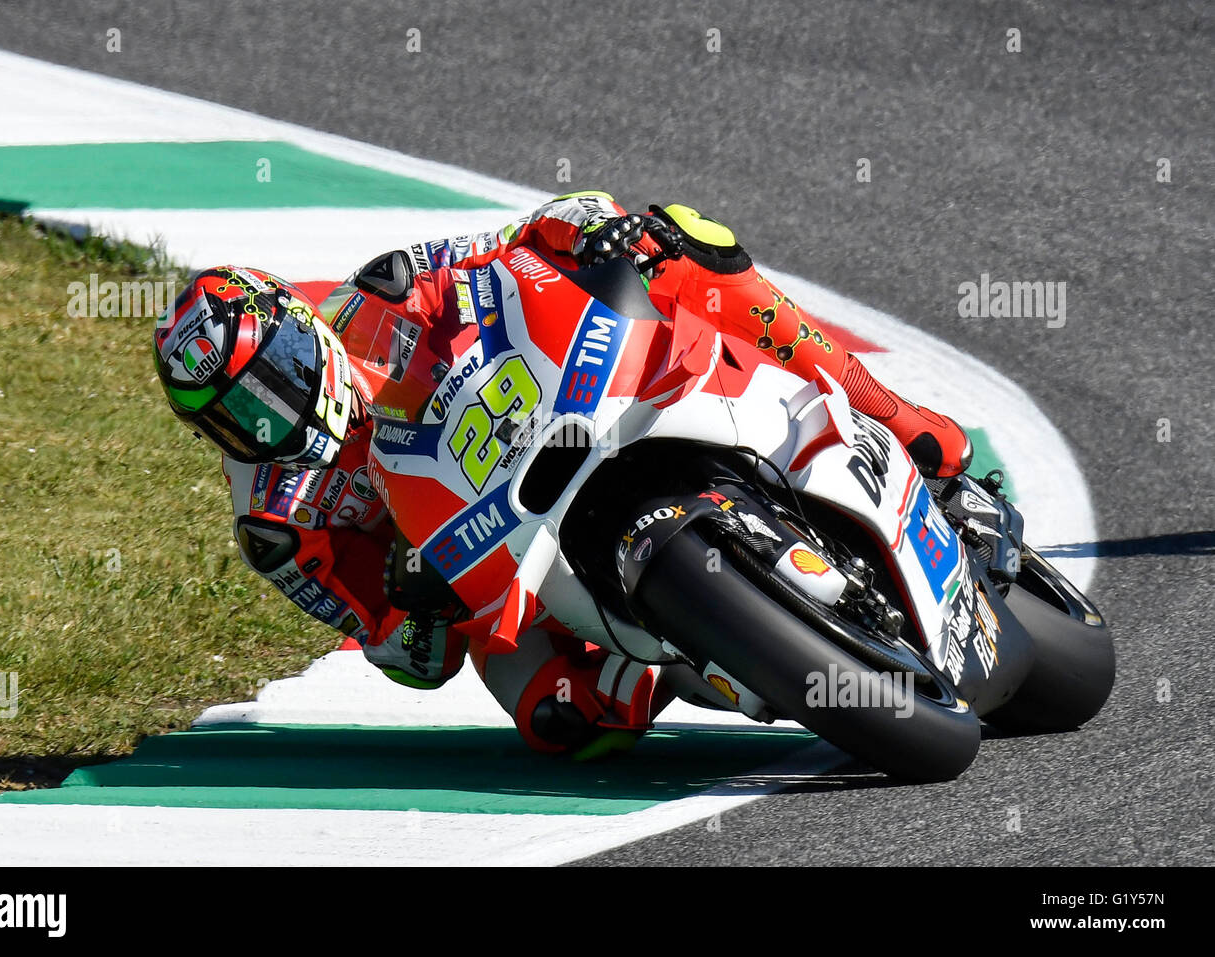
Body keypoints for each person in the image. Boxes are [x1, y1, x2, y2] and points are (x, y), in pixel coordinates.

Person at [153, 192, 971, 757]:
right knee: (562, 723)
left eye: (280, 372)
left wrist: (587, 230)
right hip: (499, 568)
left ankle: (902, 421)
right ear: (210, 433)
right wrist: (414, 605)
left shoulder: (383, 294)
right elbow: (402, 654)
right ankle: (708, 646)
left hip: (560, 413)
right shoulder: (276, 523)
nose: (276, 412)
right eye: (240, 414)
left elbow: (514, 244)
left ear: (301, 323)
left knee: (685, 242)